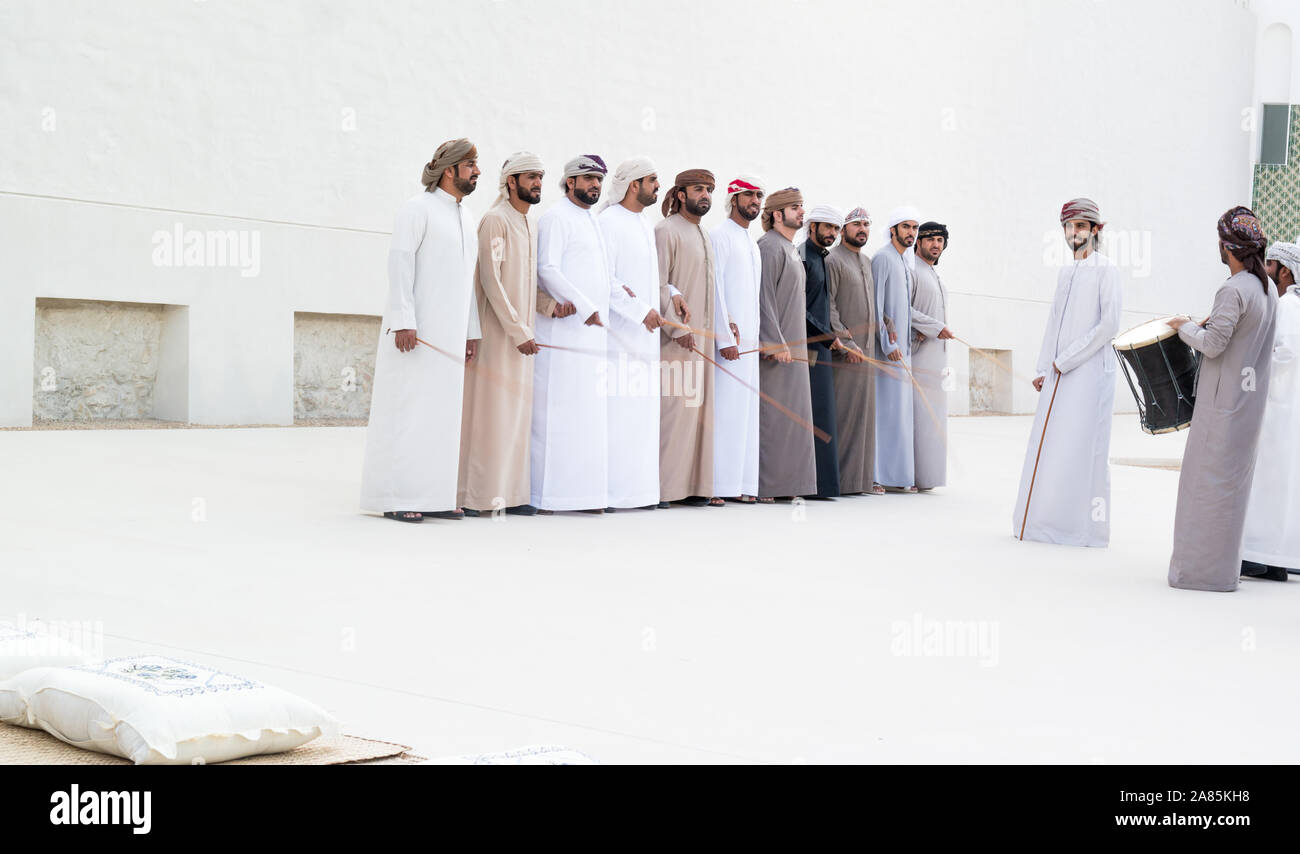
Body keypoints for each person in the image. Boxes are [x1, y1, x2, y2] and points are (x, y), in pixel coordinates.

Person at [361, 139, 482, 523]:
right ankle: (398, 495)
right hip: (415, 335)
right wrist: (403, 320)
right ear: (450, 170)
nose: (477, 171)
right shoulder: (417, 209)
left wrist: (470, 330)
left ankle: (436, 496)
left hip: (449, 338)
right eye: (470, 164)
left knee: (444, 416)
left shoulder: (465, 218)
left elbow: (467, 281)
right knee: (409, 412)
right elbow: (400, 264)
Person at [1168, 206, 1279, 591]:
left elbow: (1214, 346)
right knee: (1230, 491)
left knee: (1203, 487)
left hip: (1221, 405)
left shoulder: (1232, 289)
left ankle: (1196, 573)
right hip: (1248, 407)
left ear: (1227, 246)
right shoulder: (1266, 290)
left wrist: (1184, 328)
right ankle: (1222, 572)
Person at [1012, 198, 1122, 546]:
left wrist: (1065, 361)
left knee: (1082, 449)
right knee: (1052, 448)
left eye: (1080, 226)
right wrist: (1044, 366)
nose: (1073, 232)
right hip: (1059, 374)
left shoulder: (1108, 270)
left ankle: (1082, 531)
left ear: (1095, 230)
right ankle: (1048, 525)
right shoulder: (1066, 272)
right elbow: (1055, 323)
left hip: (1089, 376)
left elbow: (1109, 326)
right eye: (1068, 226)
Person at [457, 152, 548, 517]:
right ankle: (479, 497)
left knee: (516, 416)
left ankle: (511, 494)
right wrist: (517, 329)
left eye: (540, 177)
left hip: (523, 338)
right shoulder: (496, 221)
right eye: (530, 177)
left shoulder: (530, 224)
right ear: (511, 181)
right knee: (491, 416)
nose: (538, 183)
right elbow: (490, 280)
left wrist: (551, 307)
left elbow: (529, 280)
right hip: (499, 336)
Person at [532, 154, 612, 513]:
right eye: (588, 179)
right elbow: (547, 268)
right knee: (558, 413)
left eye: (599, 180)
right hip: (564, 331)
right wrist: (583, 305)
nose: (595, 185)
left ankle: (583, 493)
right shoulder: (555, 217)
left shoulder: (591, 220)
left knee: (588, 413)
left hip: (592, 334)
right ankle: (549, 496)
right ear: (570, 183)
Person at [655, 168, 737, 507]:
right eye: (698, 189)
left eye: (708, 190)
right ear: (680, 194)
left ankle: (696, 487)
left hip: (702, 340)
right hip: (676, 340)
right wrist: (677, 328)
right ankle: (666, 489)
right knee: (675, 414)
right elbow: (658, 284)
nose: (704, 195)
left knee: (700, 414)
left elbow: (711, 286)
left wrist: (725, 321)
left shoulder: (702, 234)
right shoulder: (666, 230)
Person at [598, 157, 666, 511]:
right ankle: (612, 494)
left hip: (646, 339)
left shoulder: (644, 221)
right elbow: (605, 281)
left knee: (641, 415)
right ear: (632, 184)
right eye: (652, 179)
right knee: (619, 414)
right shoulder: (608, 222)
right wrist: (640, 312)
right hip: (619, 337)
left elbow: (649, 279)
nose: (658, 185)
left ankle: (640, 493)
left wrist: (670, 298)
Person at [1241, 241, 1300, 580]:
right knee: (1279, 483)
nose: (1264, 269)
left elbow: (1286, 351)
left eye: (1271, 263)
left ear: (1285, 271)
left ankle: (1258, 554)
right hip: (1285, 404)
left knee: (1268, 480)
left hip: (1279, 405)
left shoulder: (1289, 303)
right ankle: (1273, 558)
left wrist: (1252, 368)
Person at [757, 187, 817, 501]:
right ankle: (769, 485)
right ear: (777, 214)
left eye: (802, 207)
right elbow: (763, 297)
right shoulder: (769, 246)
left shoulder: (789, 248)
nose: (801, 213)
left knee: (792, 417)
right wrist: (773, 342)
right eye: (795, 207)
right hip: (776, 350)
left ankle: (789, 485)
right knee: (774, 416)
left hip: (793, 347)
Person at [710, 176, 765, 504]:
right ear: (734, 199)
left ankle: (742, 484)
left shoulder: (750, 242)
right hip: (729, 344)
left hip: (750, 344)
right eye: (749, 196)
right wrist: (723, 335)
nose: (755, 201)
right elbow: (716, 289)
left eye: (759, 196)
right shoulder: (720, 236)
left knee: (745, 415)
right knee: (726, 413)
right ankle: (718, 485)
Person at [825, 206, 879, 495]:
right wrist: (846, 342)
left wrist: (887, 323)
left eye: (866, 225)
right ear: (843, 230)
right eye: (856, 224)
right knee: (844, 417)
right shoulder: (833, 260)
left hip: (867, 353)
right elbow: (829, 306)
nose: (862, 229)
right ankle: (842, 482)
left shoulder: (867, 262)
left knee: (864, 419)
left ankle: (861, 480)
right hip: (845, 353)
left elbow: (873, 303)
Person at [801, 205, 851, 498]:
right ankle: (812, 486)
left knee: (824, 413)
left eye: (835, 229)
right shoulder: (804, 257)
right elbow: (801, 307)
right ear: (813, 227)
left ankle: (825, 486)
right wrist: (826, 335)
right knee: (815, 414)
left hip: (823, 343)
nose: (831, 233)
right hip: (809, 345)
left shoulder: (822, 258)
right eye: (827, 228)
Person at [872, 207, 920, 492]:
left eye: (914, 227)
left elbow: (902, 310)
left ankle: (899, 477)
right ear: (893, 230)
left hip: (902, 352)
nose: (911, 233)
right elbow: (876, 307)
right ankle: (878, 476)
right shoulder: (882, 258)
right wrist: (887, 343)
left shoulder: (903, 262)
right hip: (885, 352)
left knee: (900, 415)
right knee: (883, 414)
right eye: (906, 227)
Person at [910, 221, 955, 491]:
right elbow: (901, 309)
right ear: (918, 242)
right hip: (918, 356)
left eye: (939, 240)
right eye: (929, 239)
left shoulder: (933, 274)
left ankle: (928, 477)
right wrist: (934, 327)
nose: (935, 244)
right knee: (919, 414)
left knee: (932, 418)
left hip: (936, 358)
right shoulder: (912, 271)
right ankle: (913, 475)